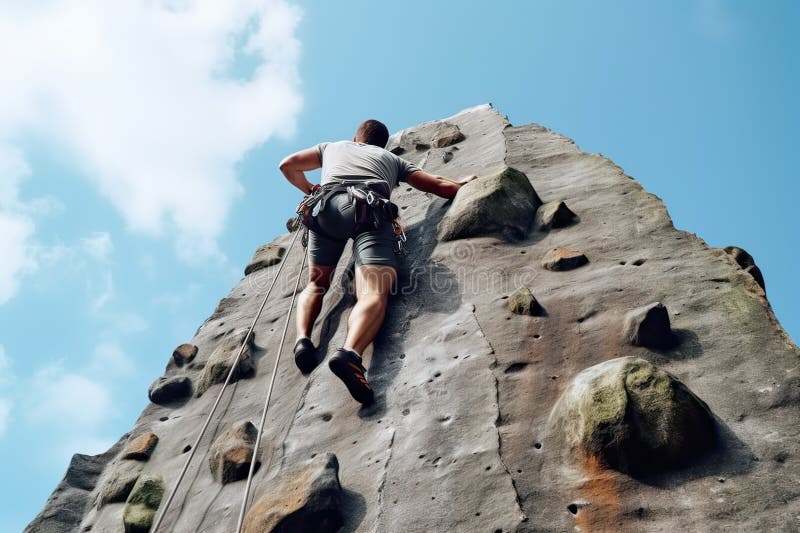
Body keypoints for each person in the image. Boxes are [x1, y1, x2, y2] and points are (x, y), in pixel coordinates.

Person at [279, 119, 476, 405]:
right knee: (373, 291)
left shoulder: (332, 147)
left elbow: (287, 165)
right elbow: (439, 187)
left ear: (356, 137)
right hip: (368, 210)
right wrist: (463, 184)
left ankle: (303, 340)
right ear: (381, 143)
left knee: (316, 283)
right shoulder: (391, 159)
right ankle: (351, 354)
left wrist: (310, 188)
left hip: (325, 210)